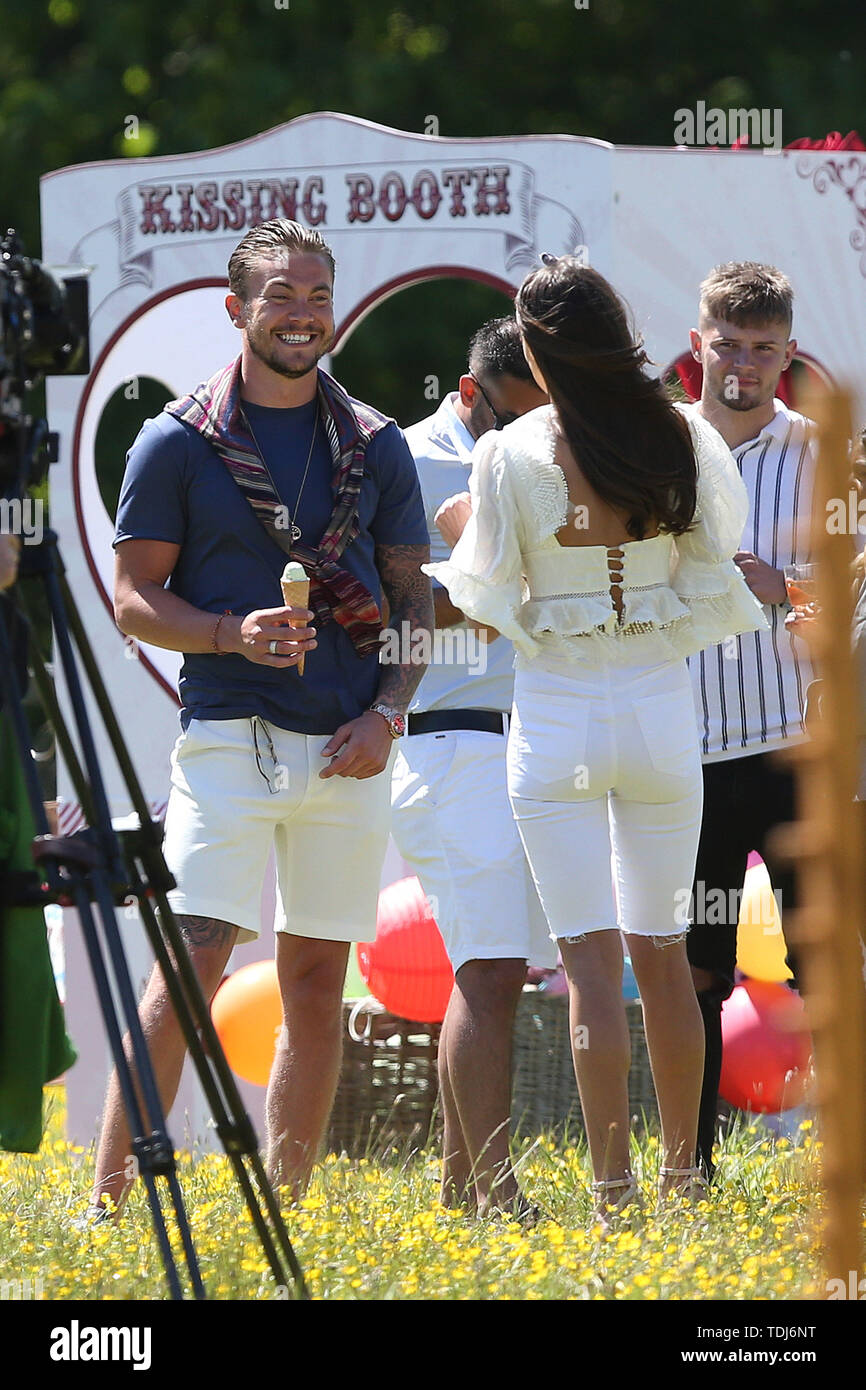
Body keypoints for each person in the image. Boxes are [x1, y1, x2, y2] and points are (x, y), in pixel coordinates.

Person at [89, 218, 432, 1216]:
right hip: (228, 736)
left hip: (347, 748)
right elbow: (131, 599)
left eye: (316, 296)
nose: (301, 314)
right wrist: (231, 635)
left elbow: (413, 602)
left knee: (318, 979)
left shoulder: (374, 441)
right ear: (237, 310)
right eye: (280, 297)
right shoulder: (176, 441)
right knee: (191, 958)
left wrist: (387, 713)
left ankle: (282, 1209)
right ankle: (109, 1202)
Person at [428, 255, 767, 1221]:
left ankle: (613, 1191)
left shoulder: (510, 452)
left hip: (558, 714)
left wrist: (456, 542)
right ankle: (683, 1179)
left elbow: (485, 600)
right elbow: (715, 576)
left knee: (589, 968)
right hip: (661, 707)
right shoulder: (686, 436)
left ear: (535, 348)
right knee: (667, 957)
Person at [391, 316, 554, 1218]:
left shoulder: (550, 457)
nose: (532, 437)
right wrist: (490, 585)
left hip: (529, 738)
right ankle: (495, 1193)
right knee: (489, 971)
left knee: (495, 972)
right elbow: (388, 612)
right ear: (466, 396)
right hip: (447, 735)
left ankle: (463, 1192)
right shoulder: (406, 464)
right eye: (515, 418)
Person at [684, 262, 818, 1179]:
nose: (743, 363)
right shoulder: (658, 450)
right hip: (684, 757)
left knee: (826, 962)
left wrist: (790, 589)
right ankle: (689, 1167)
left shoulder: (825, 455)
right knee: (697, 970)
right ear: (698, 345)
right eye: (727, 345)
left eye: (762, 348)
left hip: (797, 754)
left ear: (787, 354)